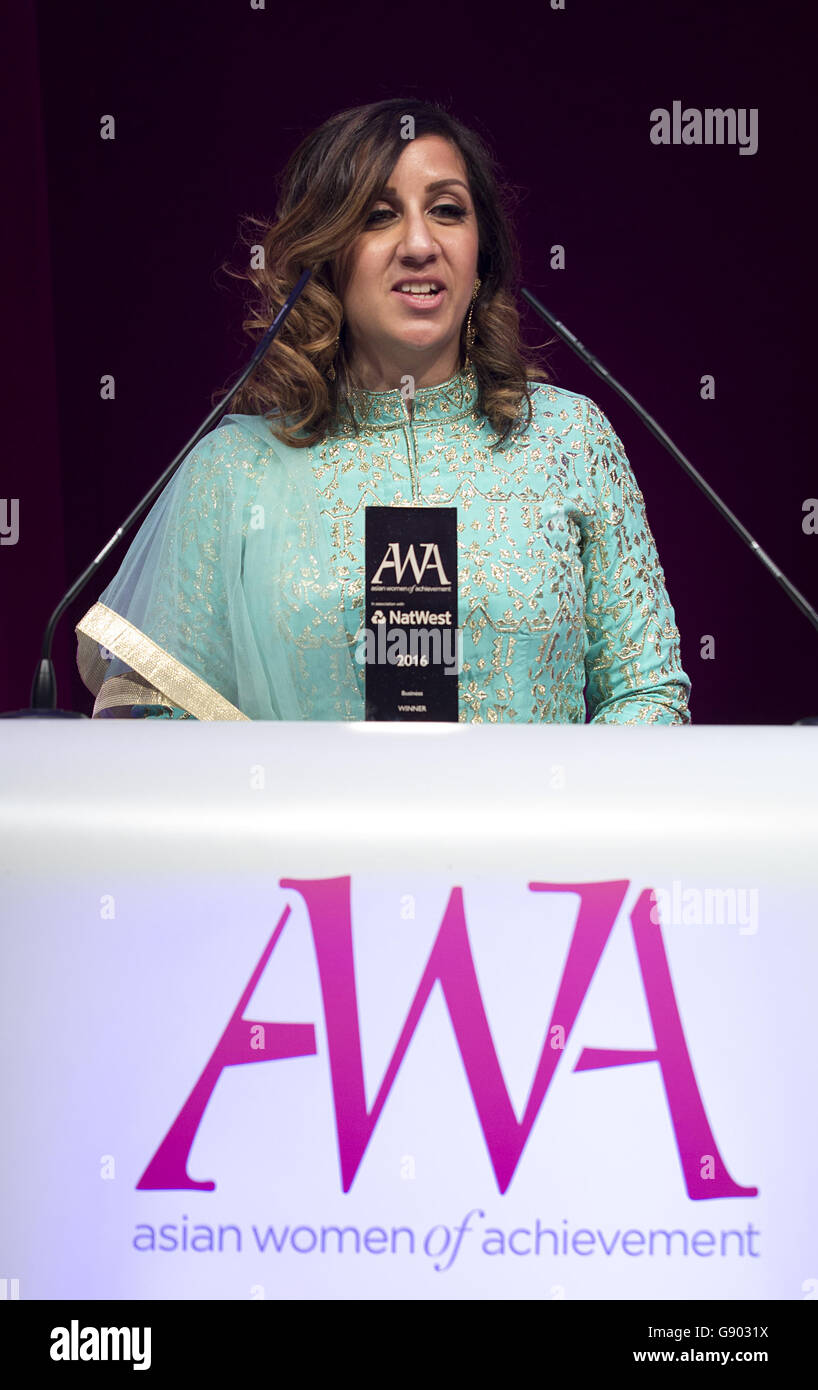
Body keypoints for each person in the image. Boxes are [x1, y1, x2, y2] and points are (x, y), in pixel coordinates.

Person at [75, 98, 691, 724]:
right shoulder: (232, 474)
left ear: (482, 260)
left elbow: (647, 693)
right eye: (378, 215)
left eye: (447, 211)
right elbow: (168, 728)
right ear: (327, 258)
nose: (420, 244)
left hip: (541, 821)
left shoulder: (567, 439)